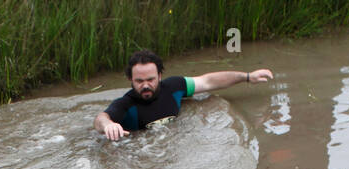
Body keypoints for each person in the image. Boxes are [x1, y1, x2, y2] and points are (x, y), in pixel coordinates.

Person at [92, 49, 274, 140]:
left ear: (160, 76)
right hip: (137, 146)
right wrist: (108, 125)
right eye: (139, 81)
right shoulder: (126, 104)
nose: (145, 85)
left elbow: (209, 81)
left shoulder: (174, 87)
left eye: (150, 79)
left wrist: (248, 77)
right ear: (130, 80)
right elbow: (101, 118)